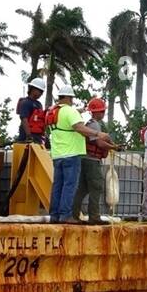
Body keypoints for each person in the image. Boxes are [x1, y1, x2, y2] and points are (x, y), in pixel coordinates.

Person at [47, 87, 112, 224]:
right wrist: (98, 134)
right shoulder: (70, 111)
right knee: (69, 186)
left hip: (57, 154)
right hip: (71, 154)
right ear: (69, 98)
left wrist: (82, 110)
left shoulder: (54, 111)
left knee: (58, 185)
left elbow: (69, 121)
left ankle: (55, 216)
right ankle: (66, 215)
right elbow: (79, 128)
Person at [72, 97, 116, 224]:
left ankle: (73, 215)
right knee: (96, 187)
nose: (103, 114)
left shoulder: (89, 124)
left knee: (82, 188)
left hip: (85, 159)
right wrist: (113, 147)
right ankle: (94, 217)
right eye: (101, 111)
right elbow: (99, 143)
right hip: (92, 161)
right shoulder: (95, 125)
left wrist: (112, 145)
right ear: (96, 112)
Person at [16, 77, 47, 145]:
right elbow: (24, 119)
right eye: (40, 91)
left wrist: (43, 134)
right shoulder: (25, 102)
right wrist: (29, 136)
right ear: (33, 89)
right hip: (26, 138)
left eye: (42, 92)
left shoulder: (39, 104)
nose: (41, 94)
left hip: (37, 138)